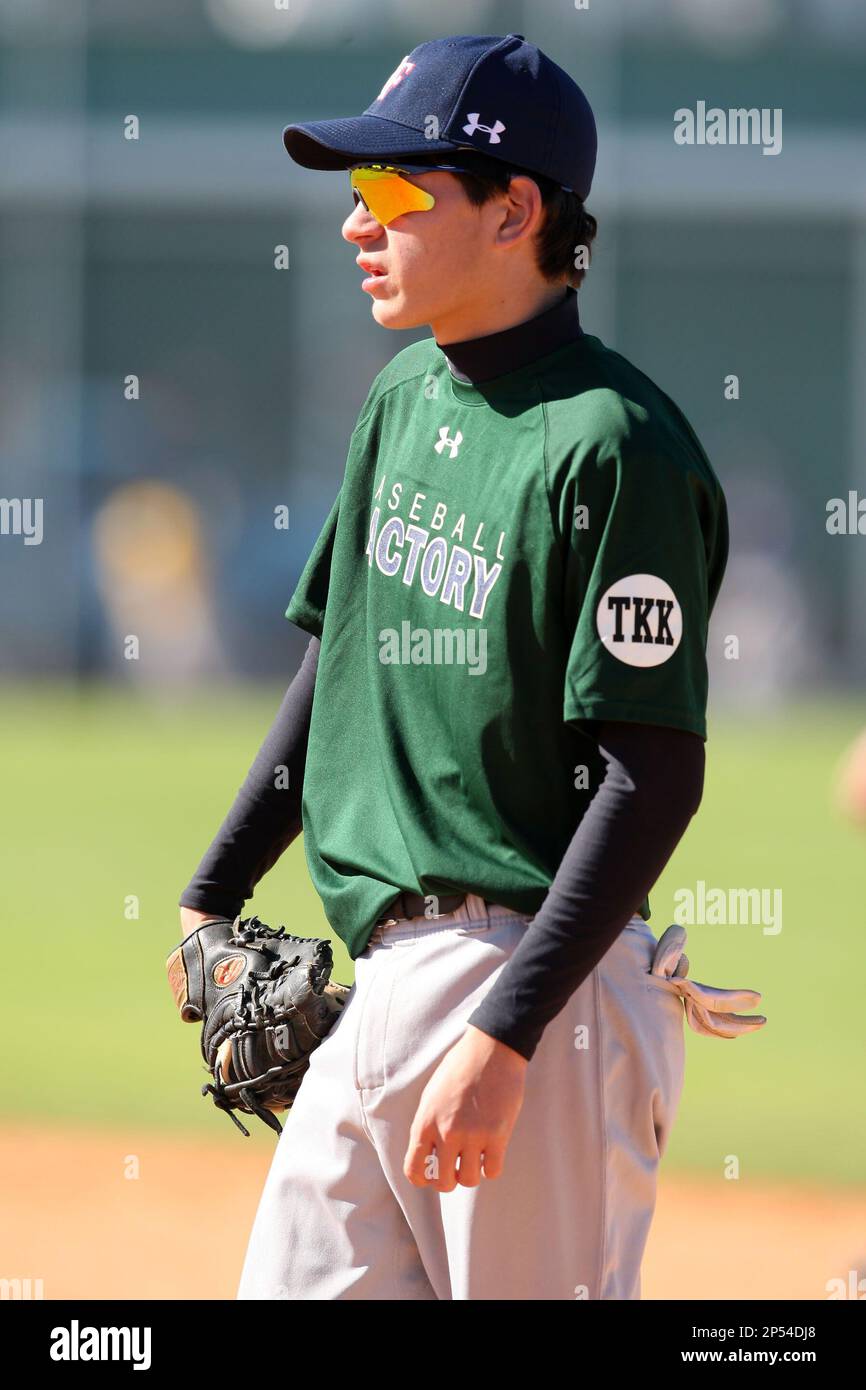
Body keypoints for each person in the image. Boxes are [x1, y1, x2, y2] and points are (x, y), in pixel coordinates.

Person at [179, 33, 738, 1300]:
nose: (352, 223)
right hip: (380, 978)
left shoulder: (616, 447)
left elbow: (651, 772)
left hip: (537, 990)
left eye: (390, 192)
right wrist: (208, 893)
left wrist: (509, 1028)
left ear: (514, 211)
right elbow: (337, 662)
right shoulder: (401, 400)